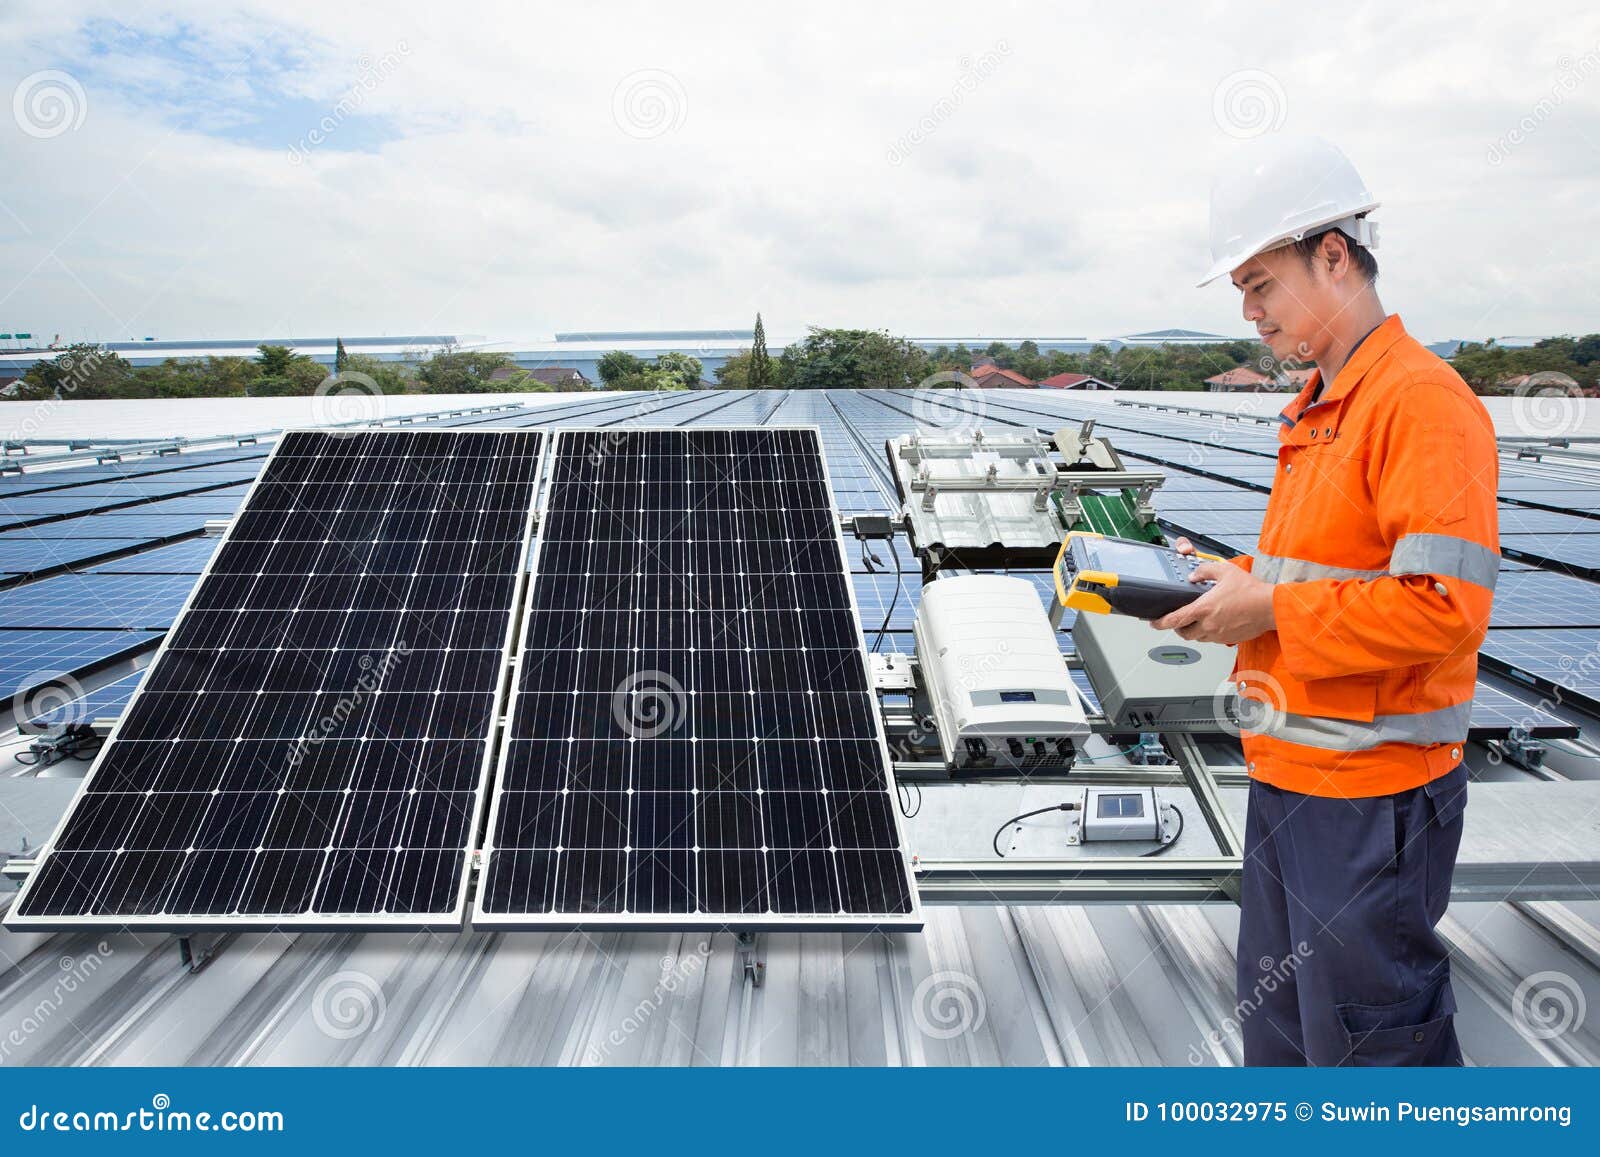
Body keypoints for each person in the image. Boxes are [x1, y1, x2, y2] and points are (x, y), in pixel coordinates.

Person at [1148, 134, 1499, 1065]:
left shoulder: (1419, 403)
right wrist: (1235, 583)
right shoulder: (1320, 407)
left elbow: (1443, 607)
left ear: (1333, 255)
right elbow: (1322, 573)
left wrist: (1268, 611)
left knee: (1371, 1056)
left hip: (1373, 800)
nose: (1250, 312)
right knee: (1286, 1043)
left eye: (1260, 284)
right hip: (1293, 782)